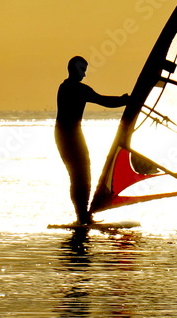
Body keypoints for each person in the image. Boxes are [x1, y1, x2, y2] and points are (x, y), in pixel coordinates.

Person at [55, 56, 130, 225]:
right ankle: (82, 216)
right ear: (74, 69)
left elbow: (103, 100)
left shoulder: (65, 87)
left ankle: (82, 215)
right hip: (68, 135)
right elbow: (104, 101)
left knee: (79, 175)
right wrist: (124, 100)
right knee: (80, 175)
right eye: (83, 70)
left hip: (66, 133)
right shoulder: (75, 89)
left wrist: (123, 100)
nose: (84, 74)